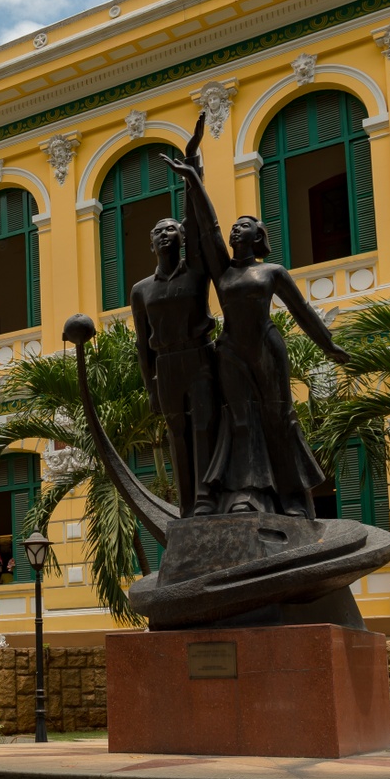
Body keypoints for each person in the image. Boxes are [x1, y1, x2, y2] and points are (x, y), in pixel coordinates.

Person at [165, 128, 350, 518]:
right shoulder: (223, 272)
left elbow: (302, 311)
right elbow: (209, 226)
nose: (236, 229)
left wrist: (329, 346)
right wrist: (193, 178)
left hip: (266, 347)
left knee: (279, 419)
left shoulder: (271, 272)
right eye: (235, 226)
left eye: (245, 225)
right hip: (231, 352)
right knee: (242, 422)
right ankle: (250, 496)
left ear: (259, 236)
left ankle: (293, 500)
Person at [133, 115, 218, 516]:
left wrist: (191, 165)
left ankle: (206, 498)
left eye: (172, 228)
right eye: (159, 230)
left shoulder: (197, 270)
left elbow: (201, 223)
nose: (166, 232)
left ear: (183, 237)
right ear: (151, 243)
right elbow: (140, 344)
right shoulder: (142, 290)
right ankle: (187, 505)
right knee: (177, 434)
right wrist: (150, 387)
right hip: (165, 365)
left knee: (204, 427)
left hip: (199, 357)